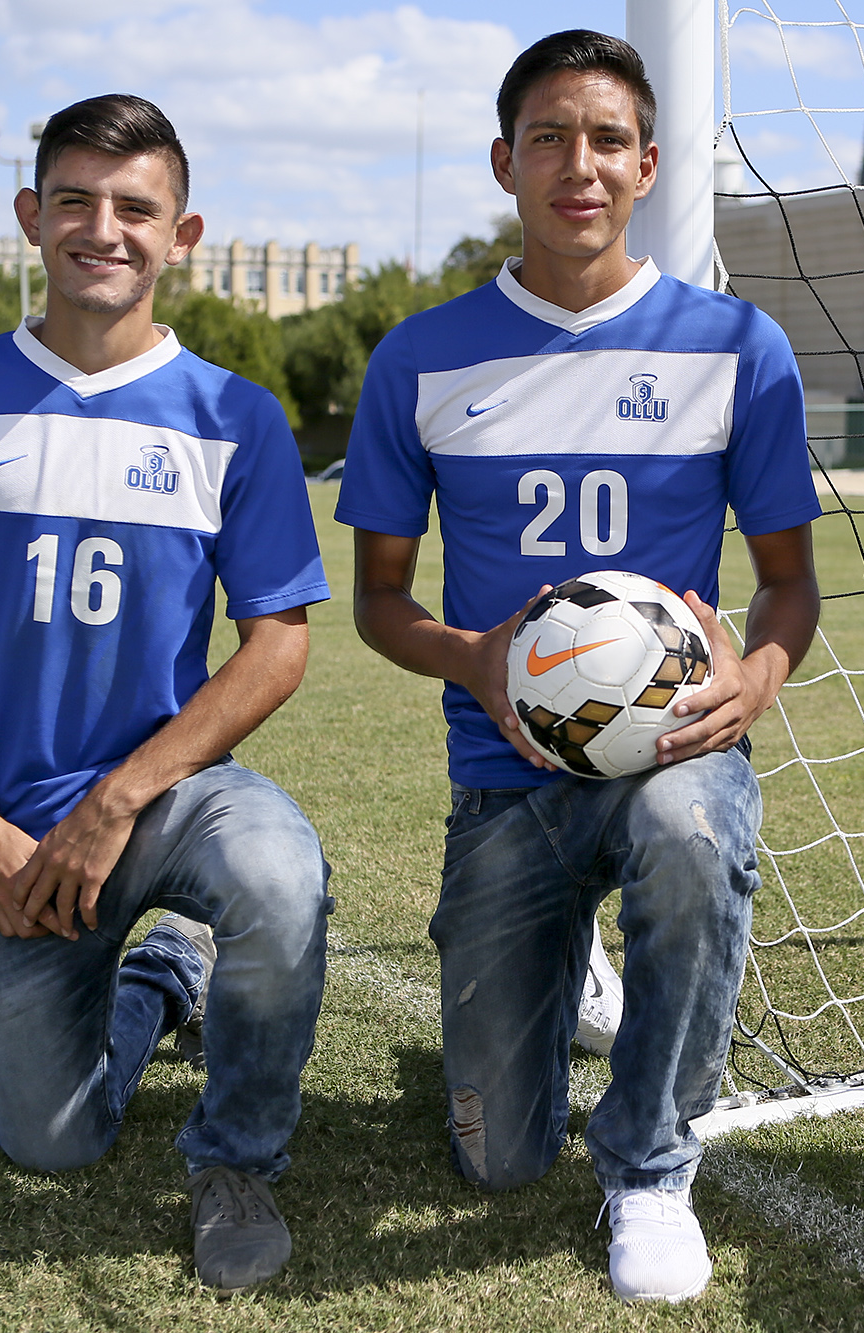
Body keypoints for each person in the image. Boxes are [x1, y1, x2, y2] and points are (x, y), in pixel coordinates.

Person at [336, 29, 821, 1305]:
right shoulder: (422, 358)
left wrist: (755, 677)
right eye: (547, 137)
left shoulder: (734, 347)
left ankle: (651, 1169)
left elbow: (787, 582)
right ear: (504, 161)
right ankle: (571, 966)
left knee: (689, 836)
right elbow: (378, 603)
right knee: (496, 1158)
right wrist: (475, 656)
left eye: (606, 140)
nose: (578, 165)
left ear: (648, 163)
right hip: (506, 776)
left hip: (673, 749)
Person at [0, 93, 331, 1295]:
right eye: (75, 202)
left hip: (164, 799)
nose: (102, 228)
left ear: (182, 231)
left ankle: (236, 1160)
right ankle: (159, 979)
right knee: (51, 1146)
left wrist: (121, 797)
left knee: (278, 872)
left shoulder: (232, 416)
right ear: (29, 215)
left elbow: (277, 646)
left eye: (133, 207)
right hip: (14, 836)